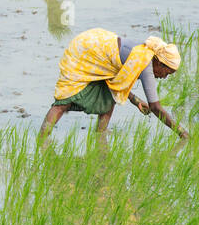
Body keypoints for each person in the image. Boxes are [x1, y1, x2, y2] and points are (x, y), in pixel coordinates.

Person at [39, 29, 187, 141]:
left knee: (111, 95)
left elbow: (117, 84)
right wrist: (182, 133)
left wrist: (135, 101)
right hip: (85, 50)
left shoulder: (144, 54)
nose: (163, 77)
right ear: (159, 62)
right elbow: (155, 107)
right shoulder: (145, 63)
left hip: (97, 46)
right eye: (166, 72)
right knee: (65, 99)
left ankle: (100, 134)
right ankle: (42, 139)